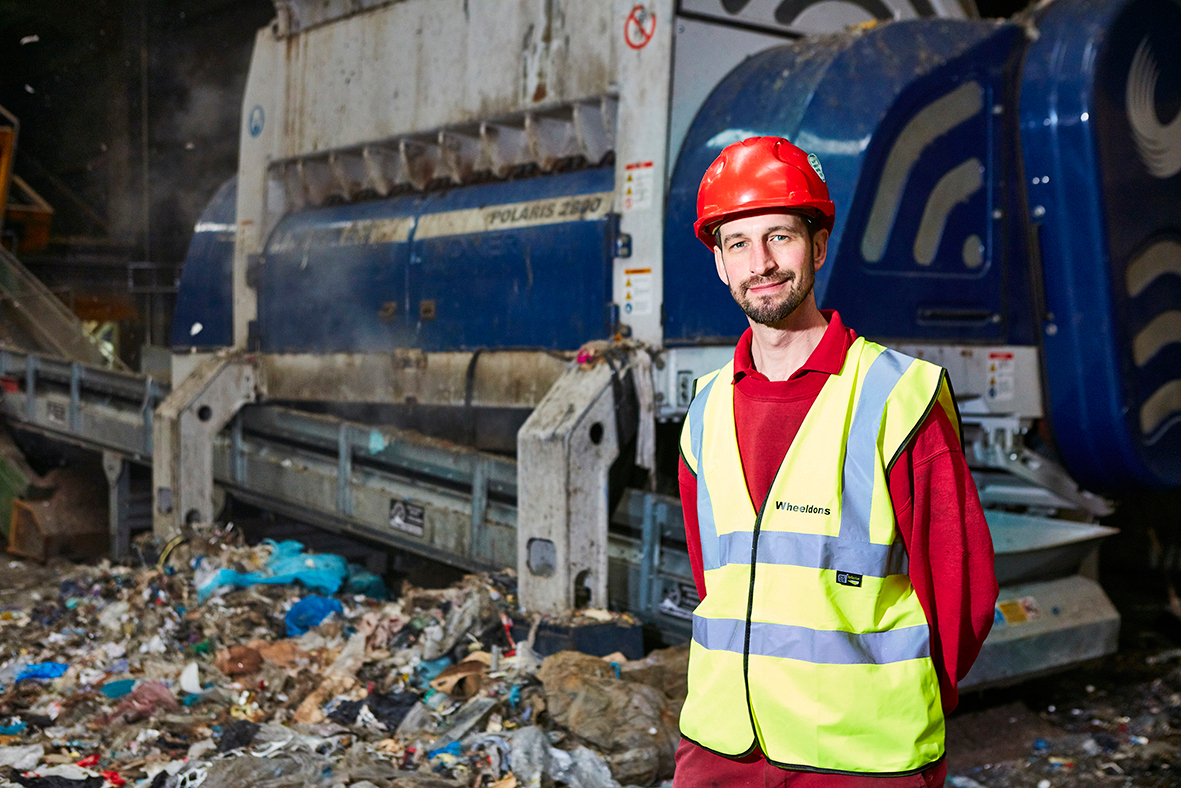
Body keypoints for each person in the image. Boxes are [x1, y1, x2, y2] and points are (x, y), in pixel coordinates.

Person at [673, 136, 998, 788]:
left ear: (817, 247)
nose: (760, 262)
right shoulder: (705, 409)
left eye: (780, 237)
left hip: (859, 759)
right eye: (737, 243)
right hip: (720, 751)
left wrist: (907, 702)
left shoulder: (896, 397)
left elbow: (962, 594)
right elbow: (717, 580)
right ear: (718, 263)